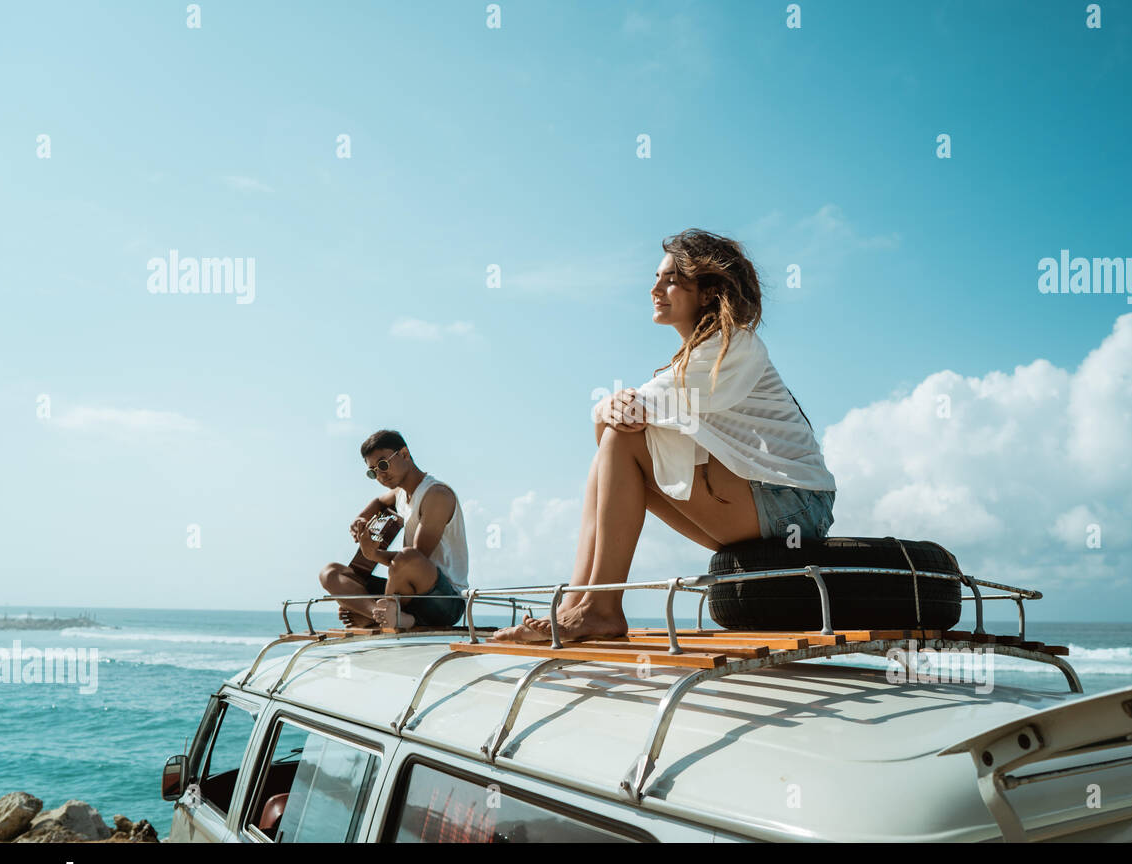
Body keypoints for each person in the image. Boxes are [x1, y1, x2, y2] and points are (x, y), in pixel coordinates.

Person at [495, 228, 836, 643]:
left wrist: (604, 408)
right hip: (766, 503)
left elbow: (628, 415)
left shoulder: (734, 348)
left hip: (797, 508)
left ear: (709, 291)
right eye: (657, 277)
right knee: (611, 448)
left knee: (622, 441)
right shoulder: (697, 354)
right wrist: (606, 410)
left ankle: (600, 609)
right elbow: (620, 420)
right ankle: (576, 605)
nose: (655, 287)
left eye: (671, 279)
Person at [319, 429, 469, 630]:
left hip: (443, 600)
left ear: (404, 454)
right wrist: (361, 519)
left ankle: (380, 615)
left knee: (407, 558)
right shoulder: (400, 493)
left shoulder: (437, 495)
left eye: (383, 464)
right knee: (330, 573)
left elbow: (415, 559)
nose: (380, 474)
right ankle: (378, 614)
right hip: (405, 594)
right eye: (373, 471)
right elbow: (379, 501)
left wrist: (373, 554)